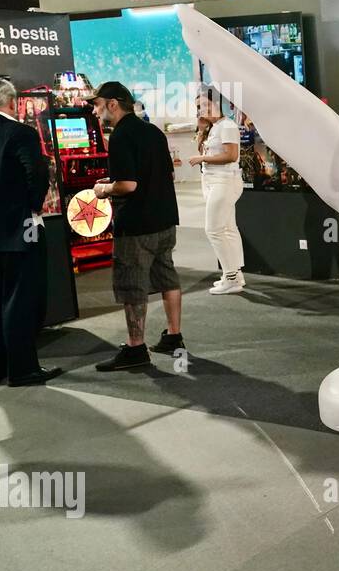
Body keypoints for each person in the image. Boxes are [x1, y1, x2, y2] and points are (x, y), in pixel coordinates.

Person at [91, 81, 186, 371]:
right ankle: (174, 336)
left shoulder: (120, 136)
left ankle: (135, 348)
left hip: (136, 225)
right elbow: (164, 174)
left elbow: (128, 185)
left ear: (113, 104)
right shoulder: (153, 131)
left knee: (133, 286)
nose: (95, 112)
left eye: (97, 105)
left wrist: (103, 190)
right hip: (165, 218)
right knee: (167, 277)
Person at [0, 76, 62, 387]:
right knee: (19, 299)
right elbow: (37, 174)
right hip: (20, 229)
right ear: (12, 102)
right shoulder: (19, 132)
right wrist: (34, 207)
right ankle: (23, 369)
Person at [188, 86, 246, 294]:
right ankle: (234, 275)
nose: (202, 110)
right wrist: (202, 128)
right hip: (214, 182)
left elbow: (231, 155)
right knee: (228, 229)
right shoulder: (214, 128)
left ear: (218, 103)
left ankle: (231, 277)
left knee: (214, 230)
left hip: (224, 182)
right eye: (198, 107)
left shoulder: (227, 126)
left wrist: (203, 158)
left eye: (205, 104)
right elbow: (205, 149)